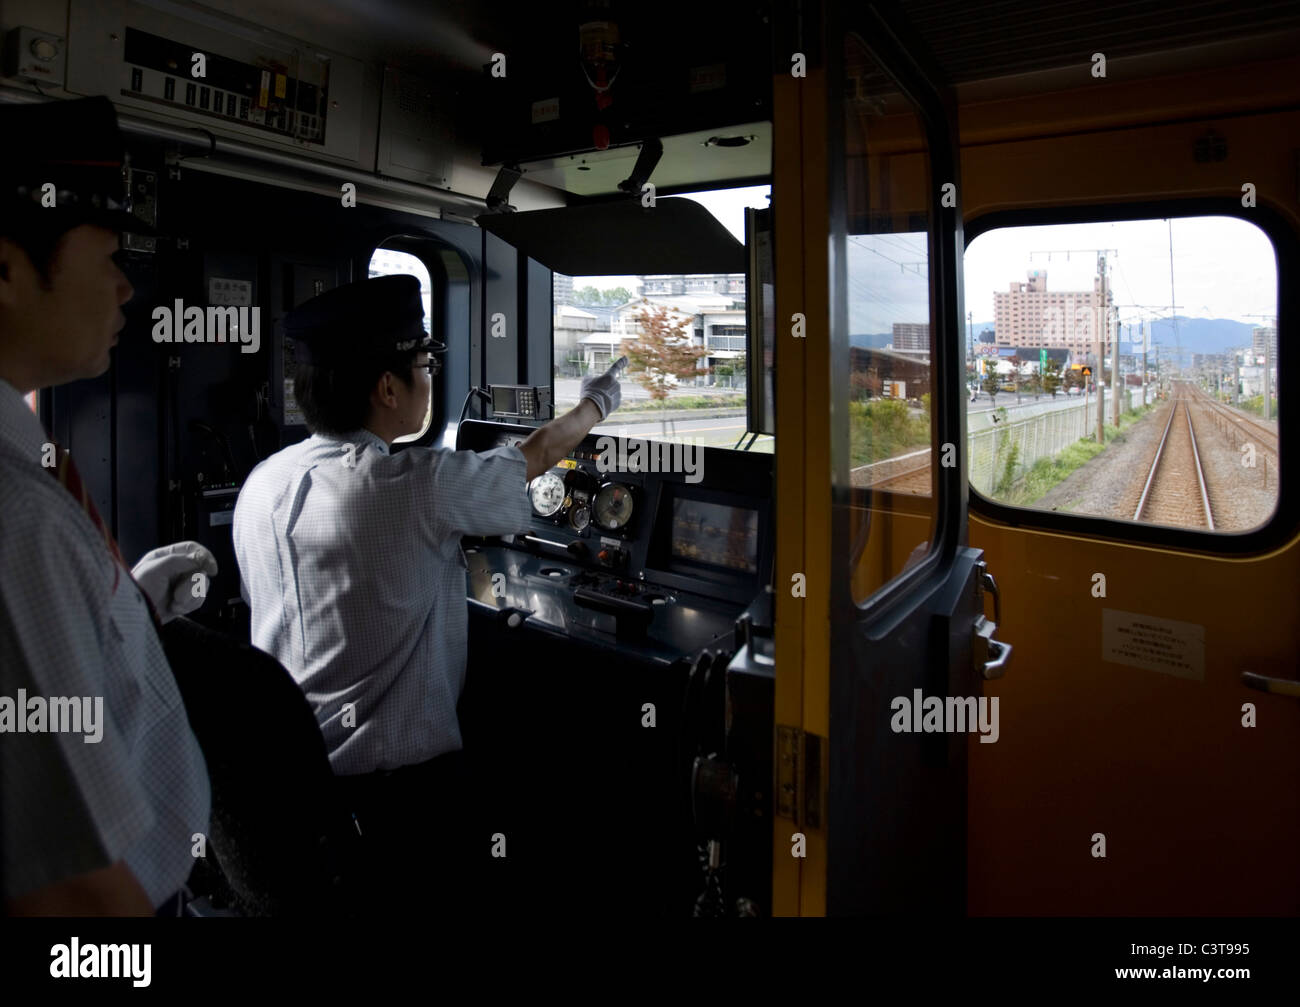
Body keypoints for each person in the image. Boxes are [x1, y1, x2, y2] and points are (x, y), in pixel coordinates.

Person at [231, 275, 622, 906]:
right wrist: (596, 406)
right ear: (387, 387)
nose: (431, 375)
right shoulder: (416, 485)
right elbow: (532, 456)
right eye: (423, 363)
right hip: (400, 803)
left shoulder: (264, 482)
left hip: (295, 784)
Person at [0, 97, 215, 915]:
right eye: (108, 255)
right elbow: (74, 886)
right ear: (8, 269)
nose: (128, 284)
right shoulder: (20, 521)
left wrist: (121, 603)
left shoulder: (35, 484)